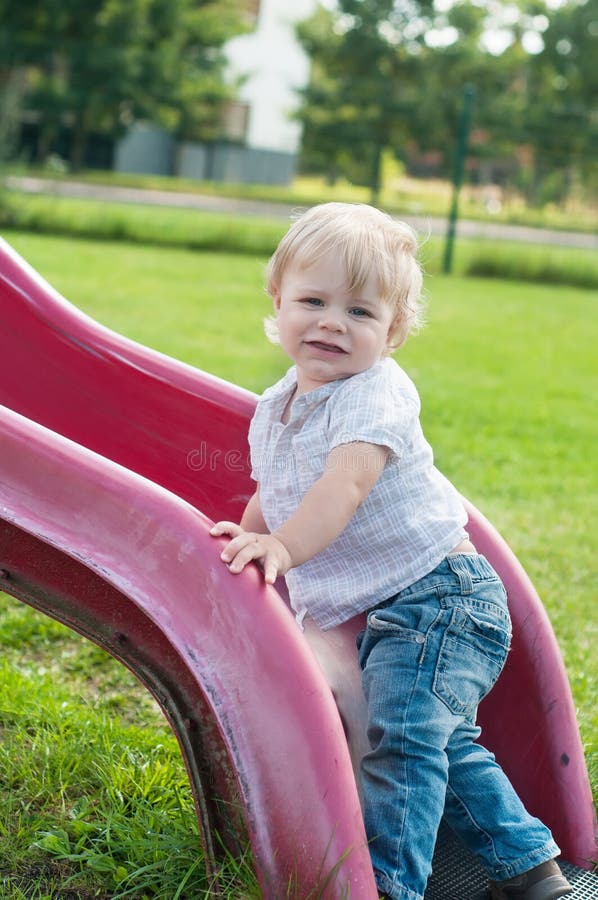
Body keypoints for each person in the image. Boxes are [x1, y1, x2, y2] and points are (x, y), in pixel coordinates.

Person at [210, 202, 572, 900]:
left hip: (444, 599)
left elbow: (343, 486)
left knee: (399, 741)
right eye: (313, 301)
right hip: (404, 608)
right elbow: (277, 489)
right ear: (278, 301)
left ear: (393, 331)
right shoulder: (279, 404)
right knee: (435, 739)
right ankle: (531, 870)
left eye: (359, 311)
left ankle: (390, 887)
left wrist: (283, 546)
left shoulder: (376, 395)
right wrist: (247, 533)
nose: (332, 323)